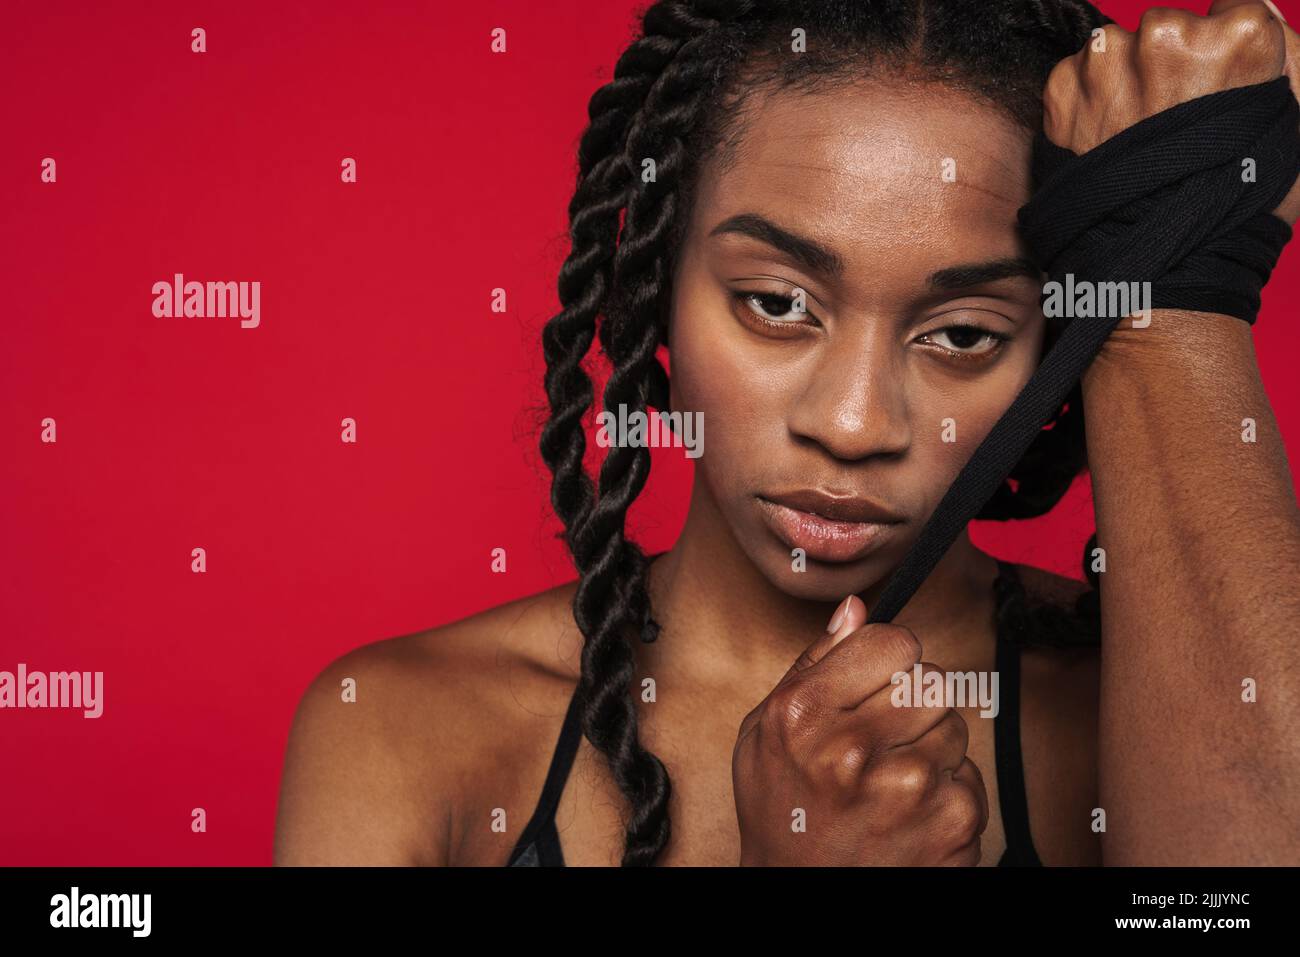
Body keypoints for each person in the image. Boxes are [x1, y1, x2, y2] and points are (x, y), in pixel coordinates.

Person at [273, 0, 1300, 866]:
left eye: (960, 334)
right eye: (776, 304)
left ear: (1053, 348)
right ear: (654, 284)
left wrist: (1178, 291)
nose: (851, 425)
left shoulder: (1127, 731)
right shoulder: (403, 729)